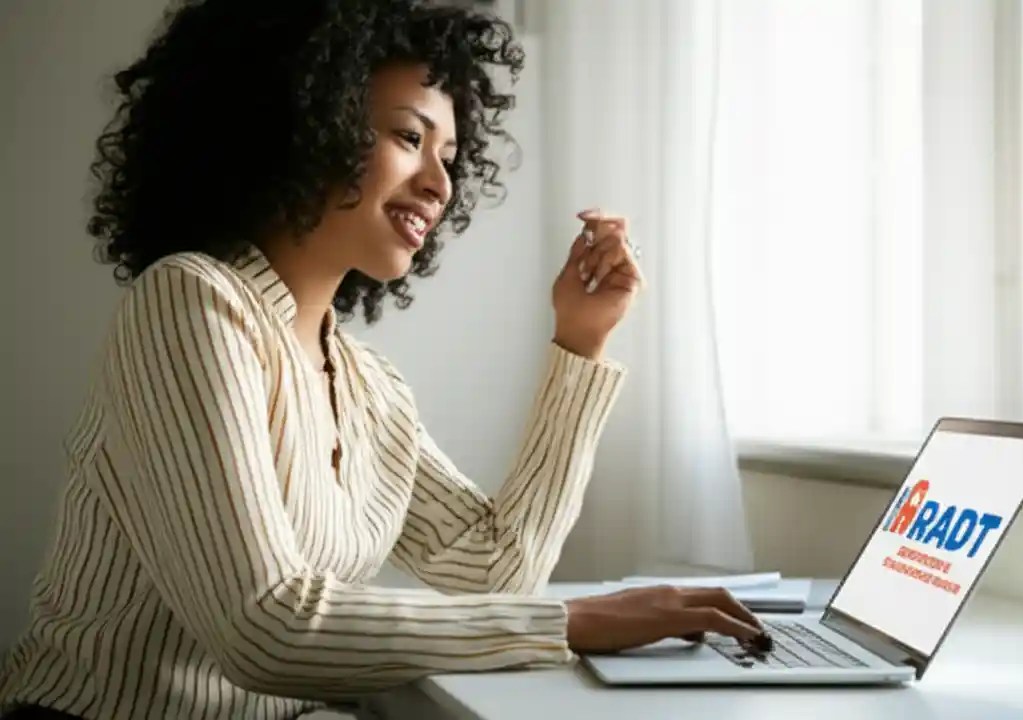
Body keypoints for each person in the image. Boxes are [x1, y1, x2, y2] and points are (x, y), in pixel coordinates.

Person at [0, 2, 766, 718]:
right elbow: (265, 626)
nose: (439, 184)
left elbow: (496, 569)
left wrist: (581, 340)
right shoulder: (190, 303)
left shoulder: (367, 385)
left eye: (451, 155)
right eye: (409, 137)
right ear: (305, 123)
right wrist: (573, 620)